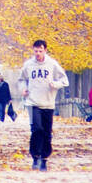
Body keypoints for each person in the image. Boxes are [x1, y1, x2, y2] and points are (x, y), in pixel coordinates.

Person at [19, 39, 69, 171]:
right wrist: (23, 88)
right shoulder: (28, 65)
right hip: (33, 102)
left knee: (47, 132)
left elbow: (64, 80)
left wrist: (56, 84)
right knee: (36, 129)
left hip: (48, 103)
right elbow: (21, 79)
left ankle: (44, 159)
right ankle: (35, 156)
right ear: (33, 50)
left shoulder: (52, 64)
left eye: (40, 51)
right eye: (36, 51)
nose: (38, 53)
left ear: (45, 50)